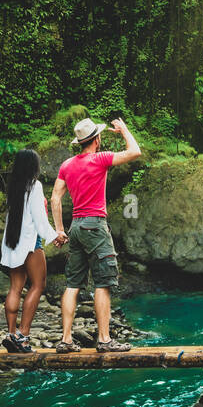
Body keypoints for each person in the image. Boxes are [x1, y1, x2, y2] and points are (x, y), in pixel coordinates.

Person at [51, 116, 141, 352]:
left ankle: (66, 340)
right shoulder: (100, 159)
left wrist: (59, 229)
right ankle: (104, 340)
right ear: (97, 139)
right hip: (95, 225)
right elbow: (135, 152)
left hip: (76, 226)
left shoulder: (67, 165)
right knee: (103, 282)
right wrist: (124, 131)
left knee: (73, 284)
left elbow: (55, 198)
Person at [0, 149, 65, 352]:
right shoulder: (34, 186)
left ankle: (11, 335)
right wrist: (55, 235)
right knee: (38, 285)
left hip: (13, 242)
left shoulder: (14, 186)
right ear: (32, 166)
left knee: (15, 288)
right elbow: (39, 218)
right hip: (30, 243)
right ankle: (23, 335)